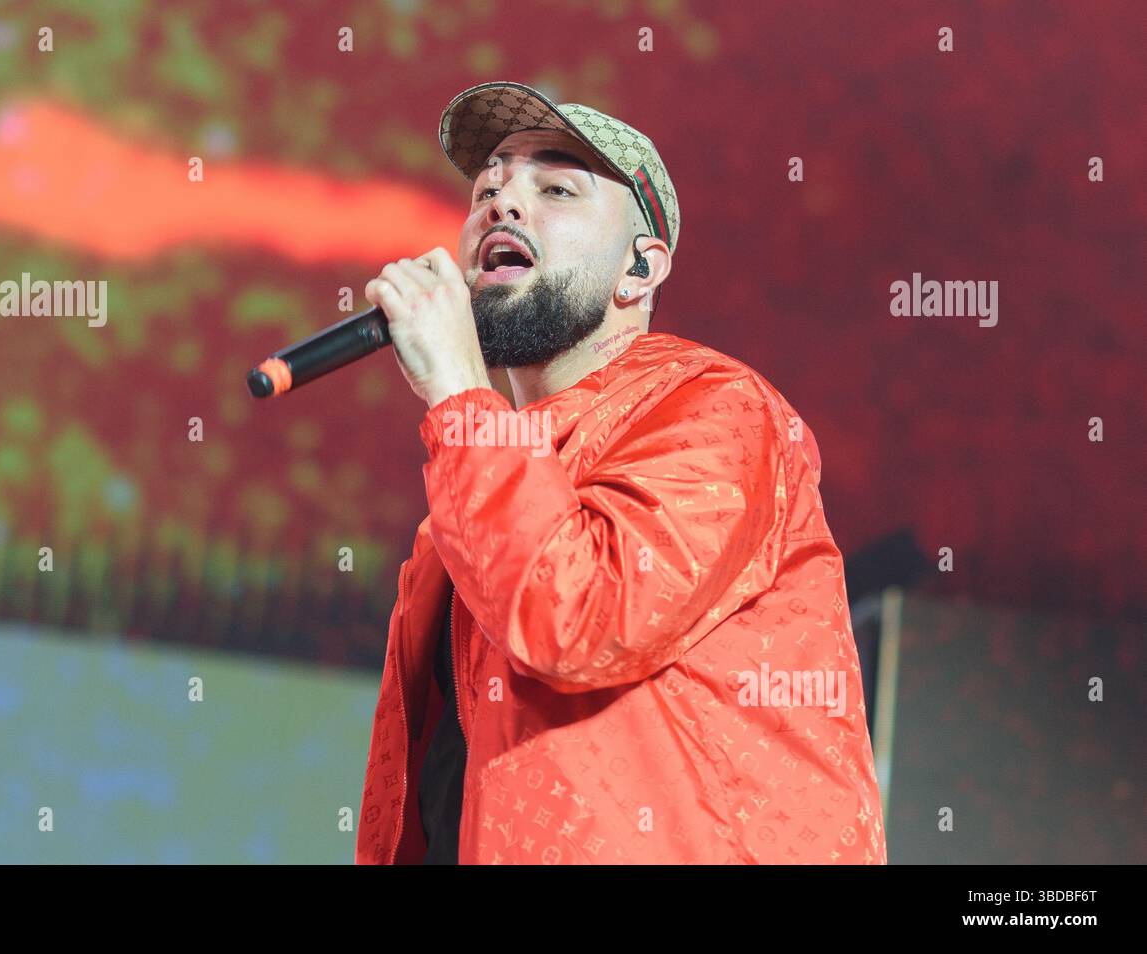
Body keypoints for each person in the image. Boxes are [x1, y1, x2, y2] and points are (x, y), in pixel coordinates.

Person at [355, 81, 886, 864]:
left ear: (639, 270)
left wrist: (462, 395)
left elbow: (574, 617)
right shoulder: (460, 514)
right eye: (487, 187)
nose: (502, 203)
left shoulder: (718, 411)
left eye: (557, 187)